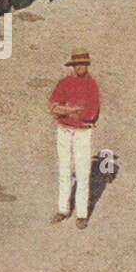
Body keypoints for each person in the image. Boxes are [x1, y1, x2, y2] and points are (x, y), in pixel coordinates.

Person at [49, 49, 100, 229]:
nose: (80, 67)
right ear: (72, 66)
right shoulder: (65, 82)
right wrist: (74, 109)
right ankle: (63, 209)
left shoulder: (92, 86)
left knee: (82, 172)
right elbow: (53, 107)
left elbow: (89, 115)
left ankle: (81, 213)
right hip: (64, 131)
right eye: (77, 64)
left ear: (87, 65)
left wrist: (66, 109)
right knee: (64, 170)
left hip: (82, 133)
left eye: (83, 64)